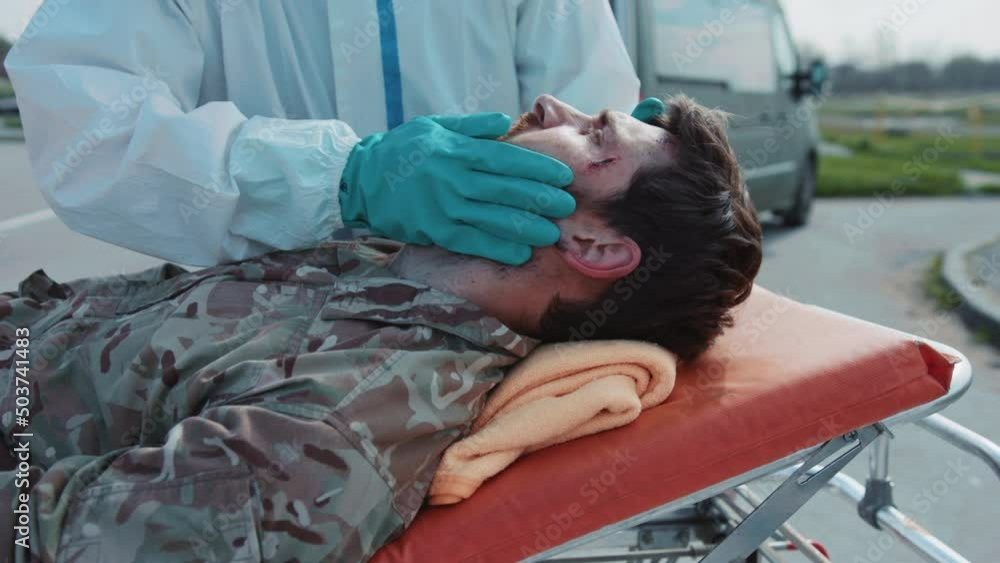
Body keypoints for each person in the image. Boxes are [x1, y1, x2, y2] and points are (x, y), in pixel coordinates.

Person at [0, 95, 762, 562]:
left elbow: (57, 538)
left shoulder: (336, 432)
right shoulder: (386, 253)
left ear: (595, 247)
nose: (548, 103)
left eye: (595, 137)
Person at [5, 0, 645, 267]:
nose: (563, 116)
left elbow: (588, 101)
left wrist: (651, 168)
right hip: (267, 320)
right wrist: (338, 177)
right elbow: (92, 128)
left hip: (498, 303)